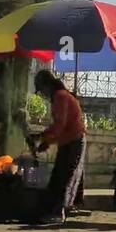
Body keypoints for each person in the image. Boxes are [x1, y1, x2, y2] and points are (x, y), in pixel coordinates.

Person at [31, 70, 86, 223]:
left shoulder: (60, 97)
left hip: (74, 141)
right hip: (69, 141)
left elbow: (59, 125)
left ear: (47, 85)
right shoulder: (60, 96)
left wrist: (42, 137)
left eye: (41, 90)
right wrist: (46, 143)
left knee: (64, 178)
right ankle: (57, 210)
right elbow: (60, 128)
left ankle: (58, 213)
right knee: (58, 177)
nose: (43, 94)